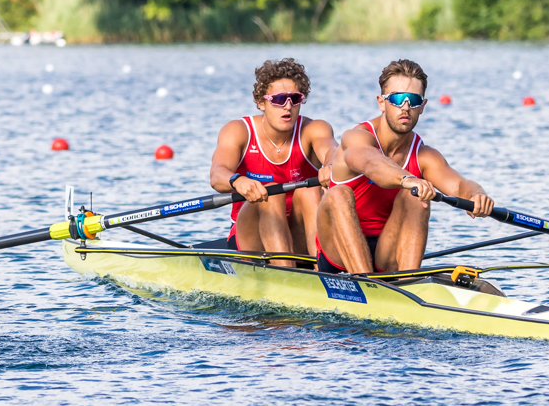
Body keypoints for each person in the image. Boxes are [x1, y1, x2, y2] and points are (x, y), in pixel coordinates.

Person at [315, 58, 493, 274]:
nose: (405, 107)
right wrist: (407, 179)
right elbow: (371, 163)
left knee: (415, 197)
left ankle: (409, 282)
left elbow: (460, 186)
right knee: (338, 194)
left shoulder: (424, 155)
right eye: (398, 98)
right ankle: (367, 282)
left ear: (423, 107)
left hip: (386, 251)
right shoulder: (356, 137)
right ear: (381, 102)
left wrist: (477, 195)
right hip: (338, 253)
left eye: (414, 100)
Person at [208, 58, 336, 266]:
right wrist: (238, 181)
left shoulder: (315, 130)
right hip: (252, 238)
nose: (287, 106)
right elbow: (217, 175)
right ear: (261, 102)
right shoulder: (238, 131)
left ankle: (321, 272)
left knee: (310, 191)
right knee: (271, 193)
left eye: (295, 98)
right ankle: (287, 274)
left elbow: (333, 151)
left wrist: (331, 166)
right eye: (278, 99)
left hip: (299, 235)